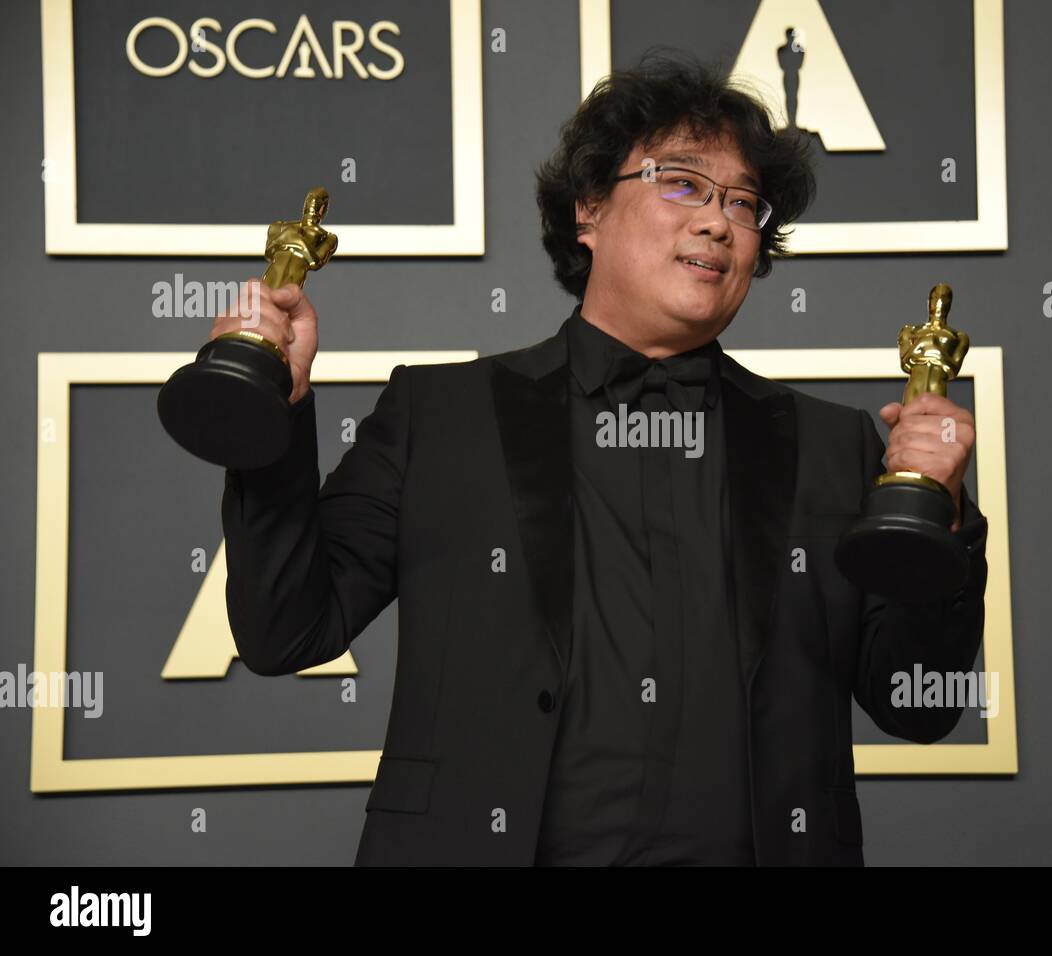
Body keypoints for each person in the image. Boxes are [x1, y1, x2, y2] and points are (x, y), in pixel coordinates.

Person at [212, 52, 988, 866]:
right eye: (681, 183)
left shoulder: (837, 446)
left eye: (744, 203)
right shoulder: (439, 416)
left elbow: (916, 704)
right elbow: (283, 631)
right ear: (589, 208)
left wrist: (942, 515)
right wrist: (270, 416)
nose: (718, 222)